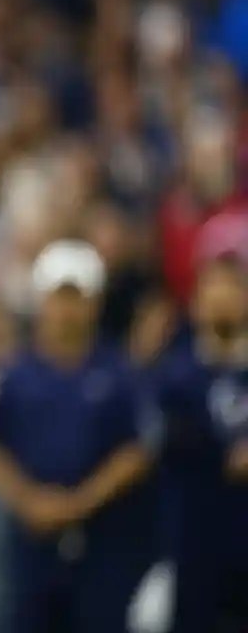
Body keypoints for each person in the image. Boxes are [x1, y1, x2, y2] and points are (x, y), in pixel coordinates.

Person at [0, 239, 157, 633]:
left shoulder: (122, 375)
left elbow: (138, 448)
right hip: (29, 543)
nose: (66, 309)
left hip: (104, 541)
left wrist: (79, 502)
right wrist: (29, 501)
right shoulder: (7, 375)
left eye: (76, 297)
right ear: (41, 301)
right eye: (58, 297)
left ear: (95, 303)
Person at [153, 253, 248, 633]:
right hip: (196, 546)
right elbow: (166, 443)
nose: (222, 298)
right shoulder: (173, 376)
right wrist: (225, 455)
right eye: (213, 288)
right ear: (194, 304)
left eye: (233, 287)